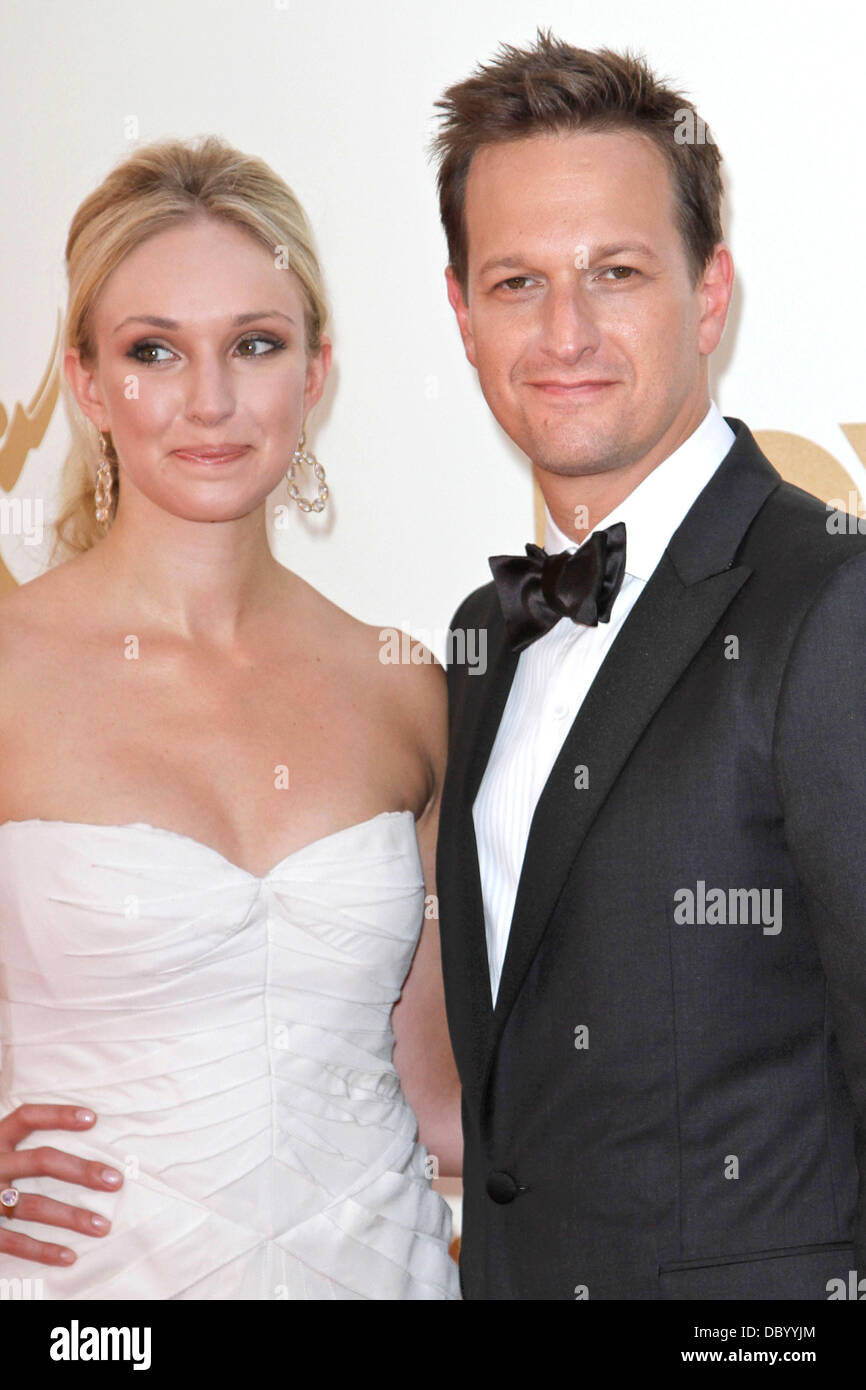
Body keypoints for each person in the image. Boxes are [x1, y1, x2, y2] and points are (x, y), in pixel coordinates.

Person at [431, 31, 866, 1299]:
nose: (563, 330)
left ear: (708, 293)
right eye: (514, 283)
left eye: (613, 271)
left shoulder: (832, 598)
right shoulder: (477, 633)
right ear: (460, 316)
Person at [0, 135, 461, 1300]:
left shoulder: (404, 684)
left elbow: (439, 1098)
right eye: (155, 350)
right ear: (90, 382)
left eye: (254, 345)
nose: (209, 401)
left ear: (314, 373)